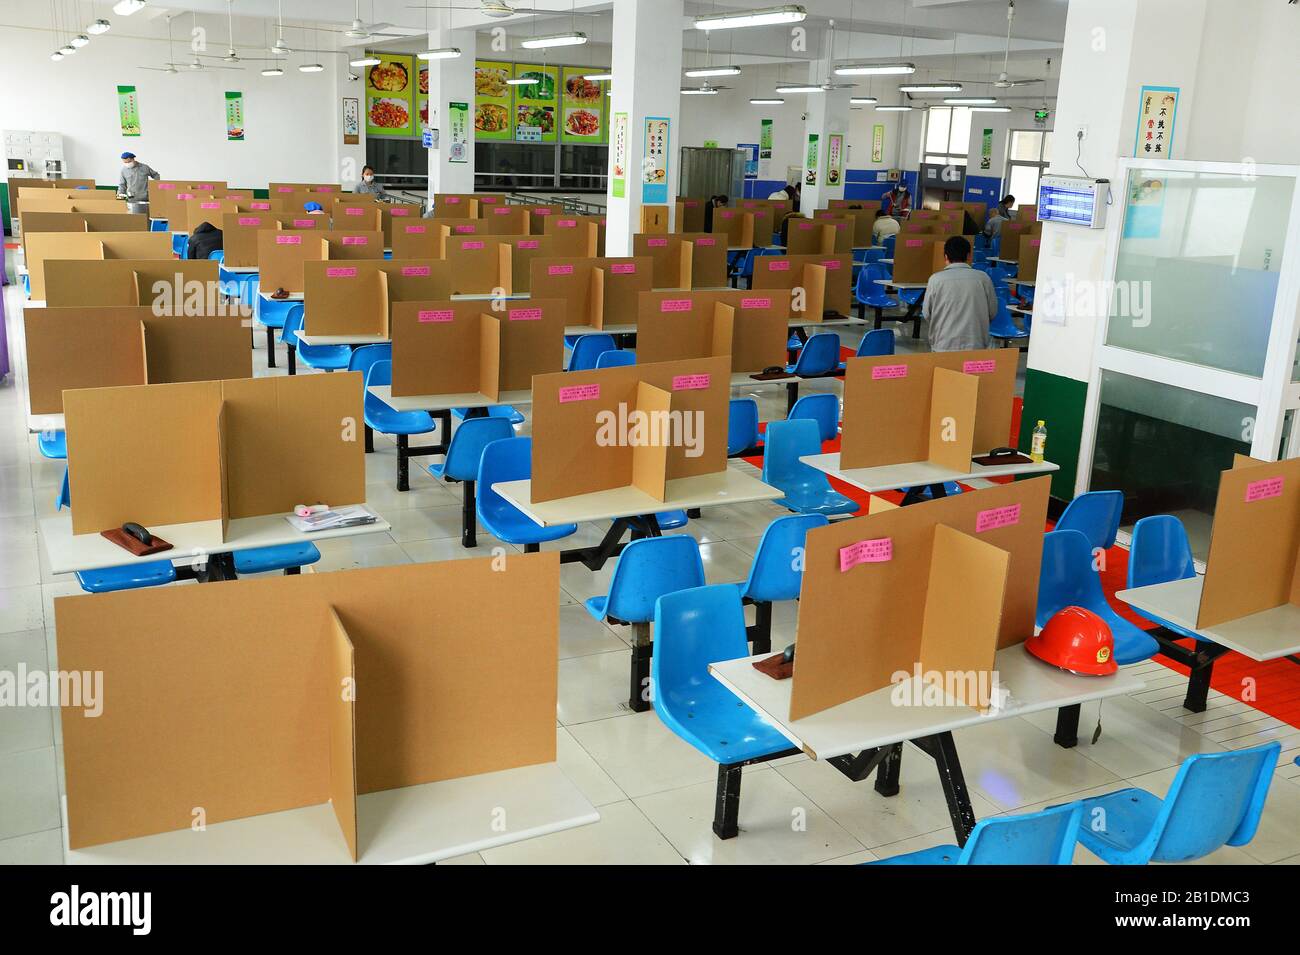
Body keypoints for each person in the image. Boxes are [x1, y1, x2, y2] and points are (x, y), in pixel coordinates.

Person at [921, 235, 998, 353]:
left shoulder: (935, 280)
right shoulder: (983, 278)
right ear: (968, 255)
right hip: (976, 344)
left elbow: (927, 313)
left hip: (943, 344)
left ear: (946, 257)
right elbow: (992, 311)